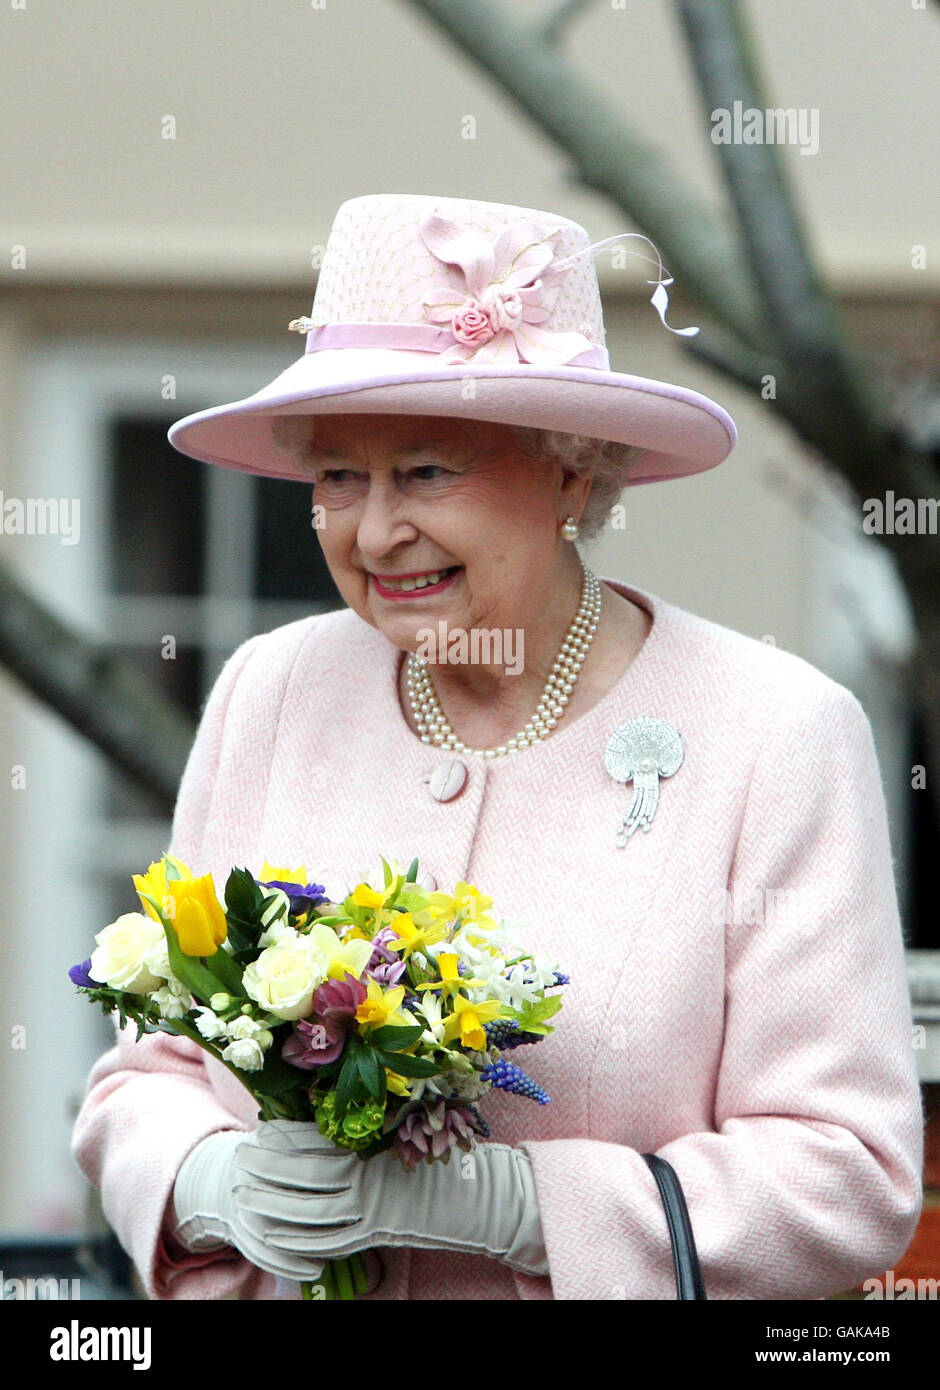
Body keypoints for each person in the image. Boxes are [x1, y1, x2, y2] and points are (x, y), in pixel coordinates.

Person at [71, 193, 923, 1300]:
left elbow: (844, 1177)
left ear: (573, 469)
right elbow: (149, 1076)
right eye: (338, 477)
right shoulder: (272, 690)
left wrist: (523, 1207)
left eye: (427, 472)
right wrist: (206, 1177)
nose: (375, 533)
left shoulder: (771, 731)